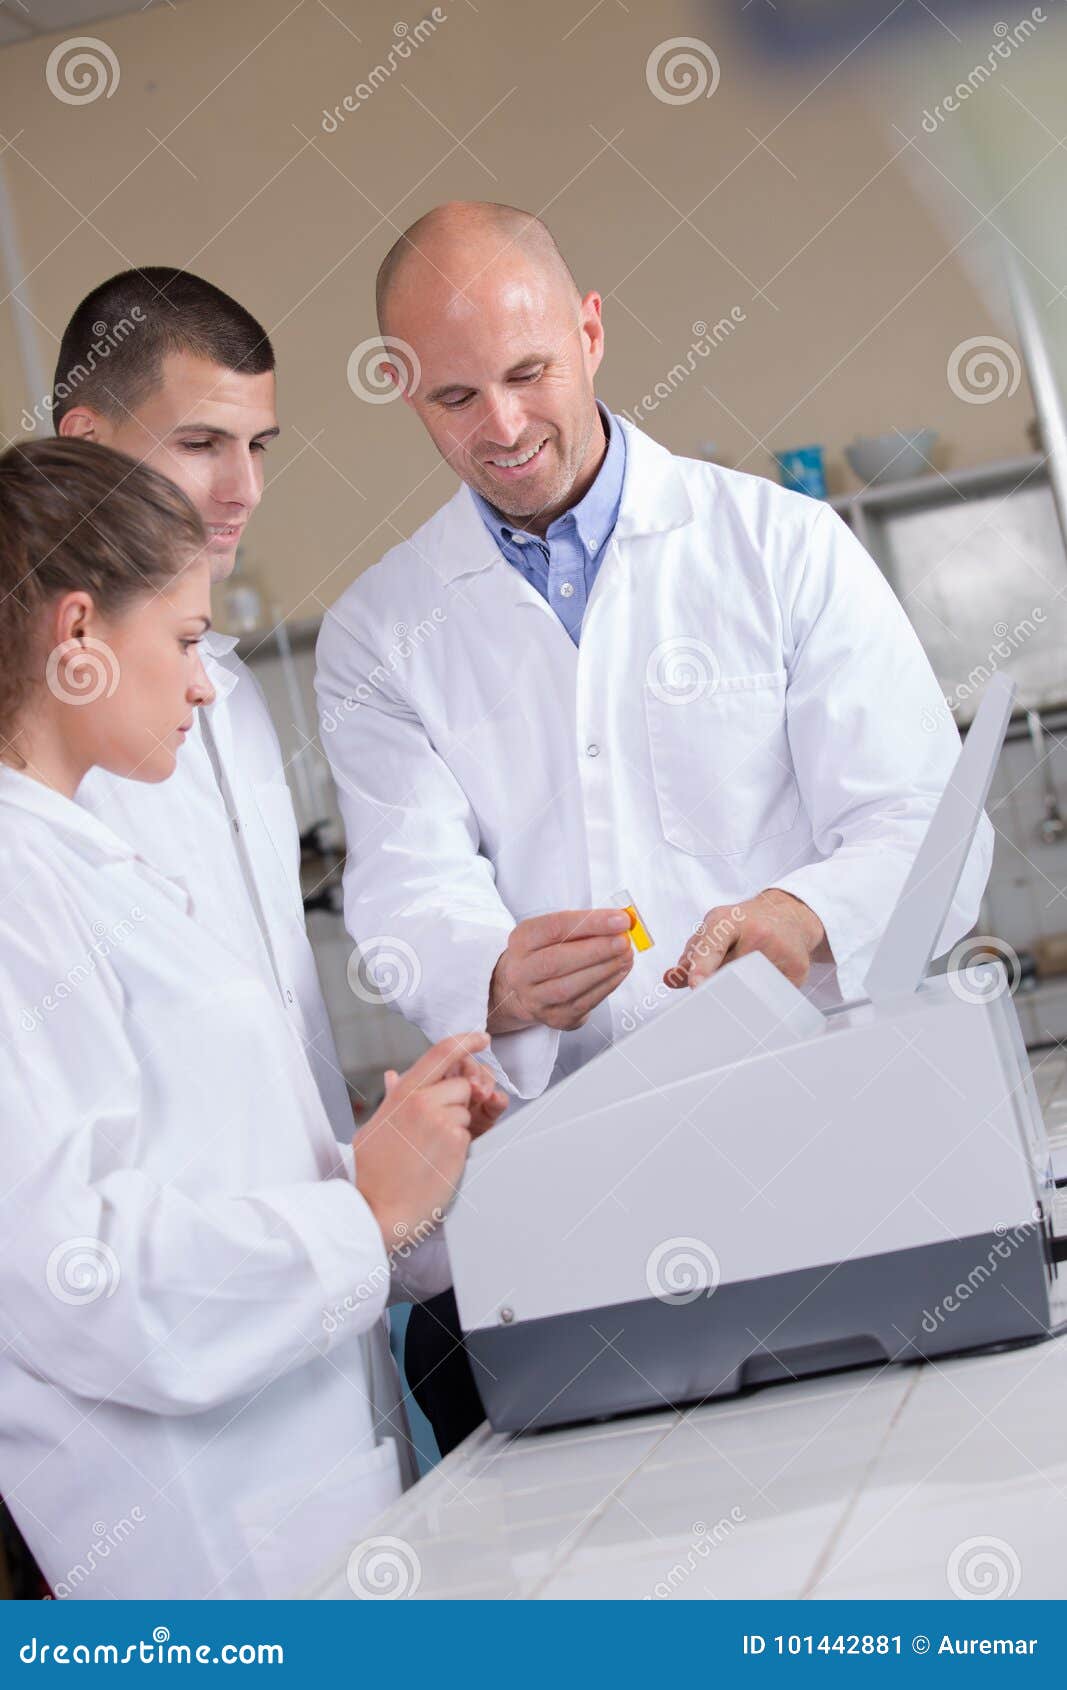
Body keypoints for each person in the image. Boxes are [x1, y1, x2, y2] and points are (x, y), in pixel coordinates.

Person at [315, 199, 993, 1451]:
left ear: (589, 334)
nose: (504, 426)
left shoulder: (779, 546)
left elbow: (922, 823)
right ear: (406, 391)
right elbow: (405, 888)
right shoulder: (377, 632)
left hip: (813, 1155)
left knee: (864, 1507)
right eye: (457, 397)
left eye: (529, 373)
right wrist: (493, 975)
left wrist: (797, 914)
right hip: (570, 1207)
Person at [0, 438, 503, 1599]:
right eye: (182, 640)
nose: (202, 682)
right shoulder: (21, 887)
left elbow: (199, 1172)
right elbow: (82, 1278)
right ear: (76, 637)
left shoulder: (95, 866)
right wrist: (362, 1209)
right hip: (204, 1561)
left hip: (300, 1508)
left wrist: (395, 1168)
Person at [51, 267, 446, 1481]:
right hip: (177, 1412)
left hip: (317, 1336)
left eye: (260, 444)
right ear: (86, 440)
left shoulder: (219, 694)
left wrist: (383, 1168)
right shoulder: (58, 752)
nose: (242, 490)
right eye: (201, 442)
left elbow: (260, 1036)